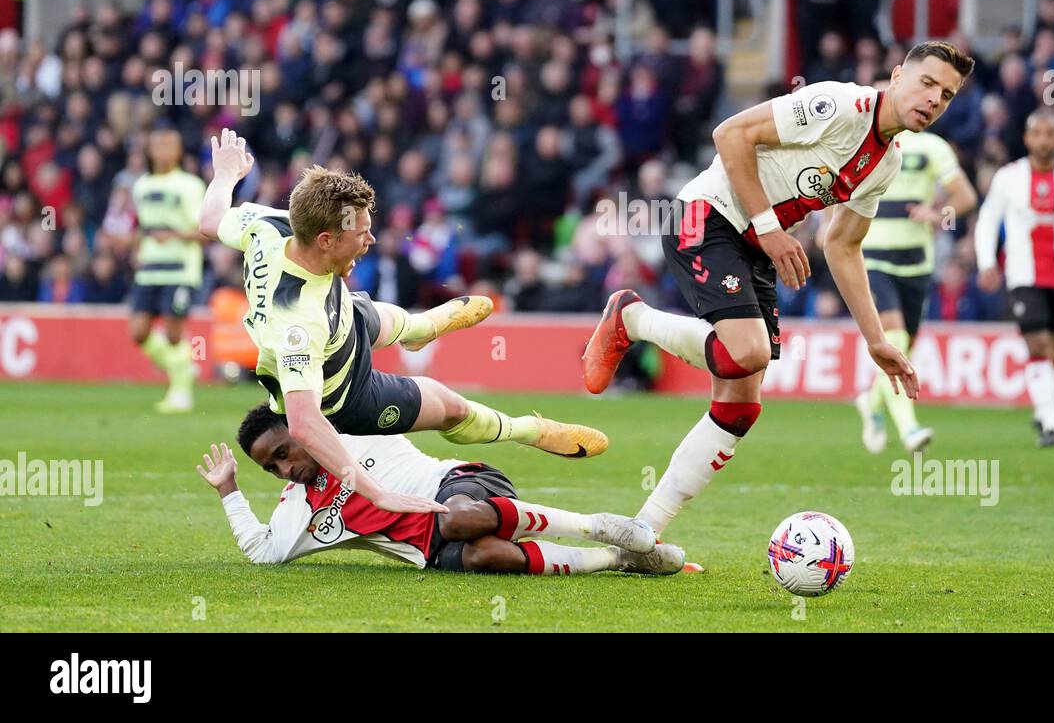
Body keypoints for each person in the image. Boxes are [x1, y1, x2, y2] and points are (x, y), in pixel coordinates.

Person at [581, 41, 974, 536]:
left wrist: (875, 340)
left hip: (756, 242)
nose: (935, 99)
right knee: (748, 352)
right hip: (709, 215)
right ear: (897, 76)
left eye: (947, 94)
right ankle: (632, 318)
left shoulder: (886, 163)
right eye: (927, 83)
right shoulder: (837, 104)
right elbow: (731, 134)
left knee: (741, 403)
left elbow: (843, 246)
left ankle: (644, 530)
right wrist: (769, 228)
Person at [197, 129, 608, 518]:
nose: (370, 241)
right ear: (325, 240)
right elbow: (304, 424)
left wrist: (226, 176)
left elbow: (209, 222)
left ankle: (423, 329)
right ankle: (528, 430)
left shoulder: (272, 225)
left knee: (385, 318)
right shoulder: (298, 322)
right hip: (344, 390)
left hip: (345, 315)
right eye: (361, 233)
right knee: (451, 409)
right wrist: (376, 492)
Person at [195, 405, 683, 575]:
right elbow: (263, 552)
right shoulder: (300, 510)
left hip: (460, 487)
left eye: (283, 452)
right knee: (485, 557)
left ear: (302, 428)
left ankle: (599, 527)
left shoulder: (351, 429)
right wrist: (229, 491)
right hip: (430, 549)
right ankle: (619, 560)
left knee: (460, 519)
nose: (285, 470)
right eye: (271, 469)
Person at [848, 100, 978, 453]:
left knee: (903, 348)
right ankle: (909, 430)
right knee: (894, 336)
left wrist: (938, 213)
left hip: (917, 264)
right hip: (872, 259)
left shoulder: (932, 147)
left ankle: (871, 402)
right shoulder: (862, 144)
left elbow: (965, 196)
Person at [975, 111, 1054, 446]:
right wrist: (987, 262)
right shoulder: (1008, 177)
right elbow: (988, 219)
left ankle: (1046, 404)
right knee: (1037, 344)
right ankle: (1051, 424)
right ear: (1027, 139)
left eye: (1050, 134)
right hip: (1023, 276)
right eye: (1037, 134)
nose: (1043, 141)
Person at [128, 128, 207, 413]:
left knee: (174, 333)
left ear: (178, 150)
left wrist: (174, 236)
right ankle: (184, 367)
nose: (161, 149)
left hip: (181, 268)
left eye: (168, 144)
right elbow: (141, 227)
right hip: (149, 268)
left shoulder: (191, 185)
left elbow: (205, 229)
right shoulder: (141, 186)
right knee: (138, 331)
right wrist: (136, 247)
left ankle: (181, 392)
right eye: (156, 143)